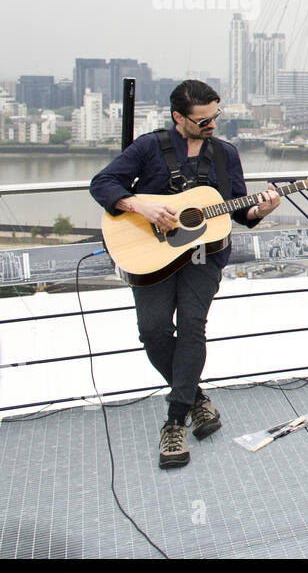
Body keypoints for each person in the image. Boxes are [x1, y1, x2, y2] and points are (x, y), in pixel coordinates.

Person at [90, 80, 281, 469]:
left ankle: (175, 421)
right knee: (154, 330)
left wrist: (263, 209)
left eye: (216, 115)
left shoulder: (225, 154)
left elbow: (240, 212)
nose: (212, 123)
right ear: (179, 117)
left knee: (192, 325)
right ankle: (196, 398)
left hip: (204, 256)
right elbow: (102, 183)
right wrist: (136, 204)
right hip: (152, 254)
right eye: (203, 119)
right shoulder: (148, 146)